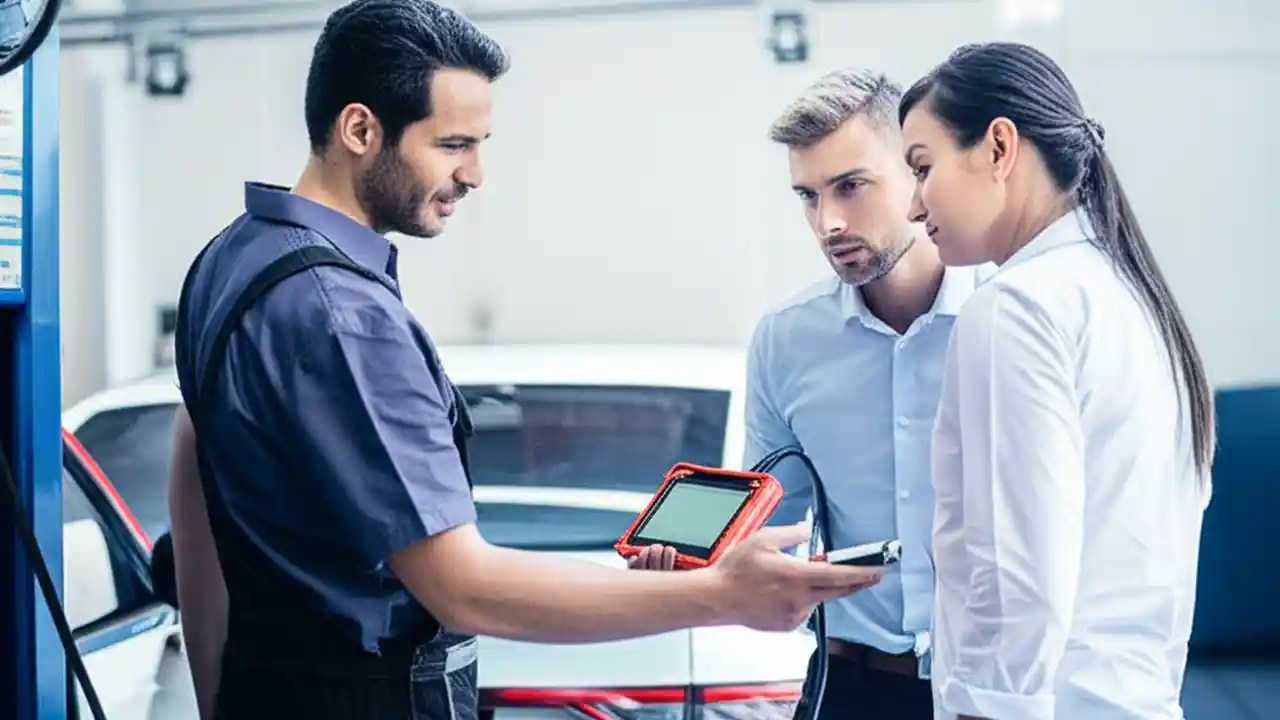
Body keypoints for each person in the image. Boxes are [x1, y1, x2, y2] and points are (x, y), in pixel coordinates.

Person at [165, 3, 884, 719]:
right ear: (361, 129)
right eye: (453, 144)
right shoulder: (346, 318)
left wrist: (217, 699)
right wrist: (721, 595)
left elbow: (193, 474)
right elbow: (464, 588)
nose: (476, 173)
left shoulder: (231, 258)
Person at [629, 68, 992, 719]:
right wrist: (699, 567)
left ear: (916, 172)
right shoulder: (786, 341)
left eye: (851, 187)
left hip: (999, 688)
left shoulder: (1009, 318)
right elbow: (762, 524)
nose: (828, 222)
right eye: (807, 195)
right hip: (852, 686)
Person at [899, 42, 1214, 720]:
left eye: (922, 168)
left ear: (999, 147)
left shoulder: (1015, 308)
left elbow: (1018, 579)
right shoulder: (1133, 297)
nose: (913, 206)